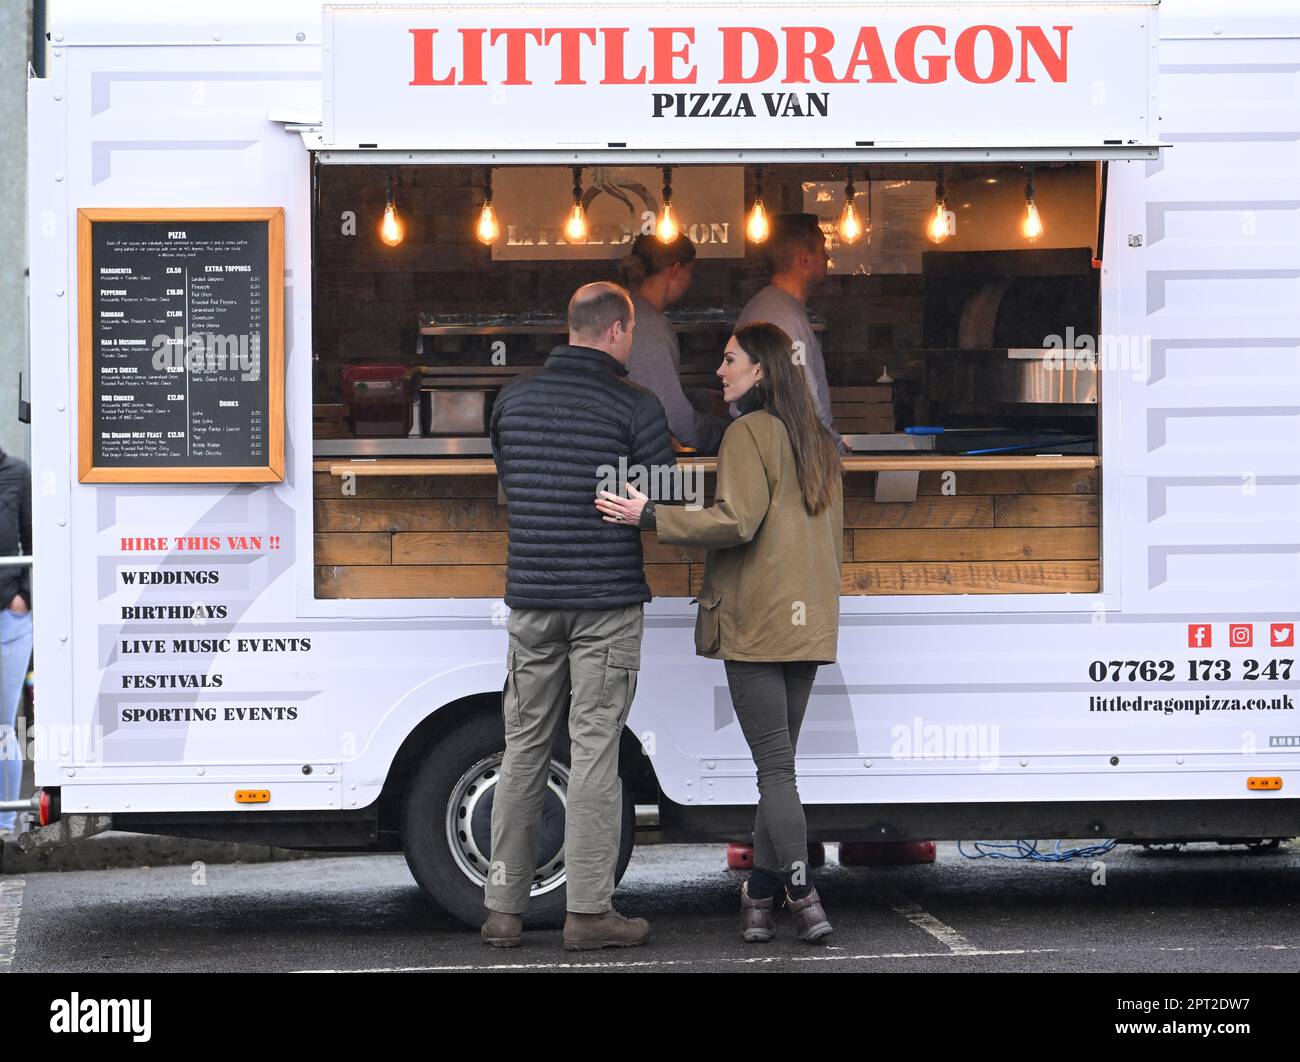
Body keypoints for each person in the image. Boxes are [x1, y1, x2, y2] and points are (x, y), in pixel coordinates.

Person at [596, 321, 844, 944]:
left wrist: (650, 513)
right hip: (809, 622)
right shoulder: (818, 437)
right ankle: (758, 897)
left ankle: (804, 895)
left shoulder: (747, 433)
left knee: (775, 772)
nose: (720, 371)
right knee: (779, 765)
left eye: (730, 360)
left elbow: (735, 521)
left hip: (758, 623)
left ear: (760, 370)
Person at [482, 281, 677, 951]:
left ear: (572, 329)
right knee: (594, 749)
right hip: (605, 602)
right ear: (619, 331)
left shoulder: (511, 399)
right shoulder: (636, 404)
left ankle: (504, 906)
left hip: (531, 598)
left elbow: (513, 474)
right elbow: (664, 495)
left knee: (524, 745)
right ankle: (589, 912)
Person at [735, 213, 850, 454]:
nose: (828, 257)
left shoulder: (766, 306)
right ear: (805, 260)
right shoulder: (786, 320)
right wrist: (837, 454)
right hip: (790, 460)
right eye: (823, 251)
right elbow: (808, 402)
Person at [620, 233, 729, 454]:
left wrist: (700, 399)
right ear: (676, 270)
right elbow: (673, 417)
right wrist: (729, 432)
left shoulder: (633, 313)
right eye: (691, 272)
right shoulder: (649, 328)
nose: (690, 282)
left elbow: (648, 389)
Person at [0, 445, 32, 840]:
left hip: (10, 616)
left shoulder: (15, 472)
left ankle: (5, 822)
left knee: (2, 725)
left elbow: (34, 539)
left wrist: (22, 597)